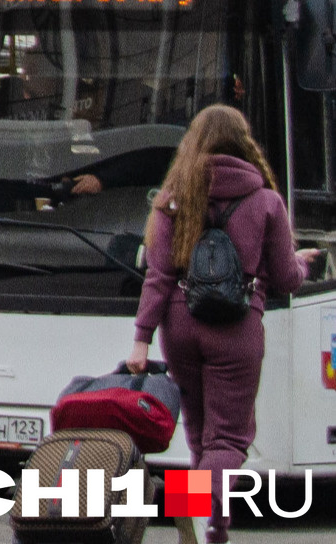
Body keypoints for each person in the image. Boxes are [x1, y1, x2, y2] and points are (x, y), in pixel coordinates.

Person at [127, 106, 306, 541]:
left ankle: (212, 530)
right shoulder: (266, 201)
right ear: (243, 143)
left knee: (199, 437)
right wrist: (300, 264)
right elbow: (285, 278)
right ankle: (191, 506)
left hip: (180, 325)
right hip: (236, 328)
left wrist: (141, 340)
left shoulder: (173, 197)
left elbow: (159, 274)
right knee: (227, 441)